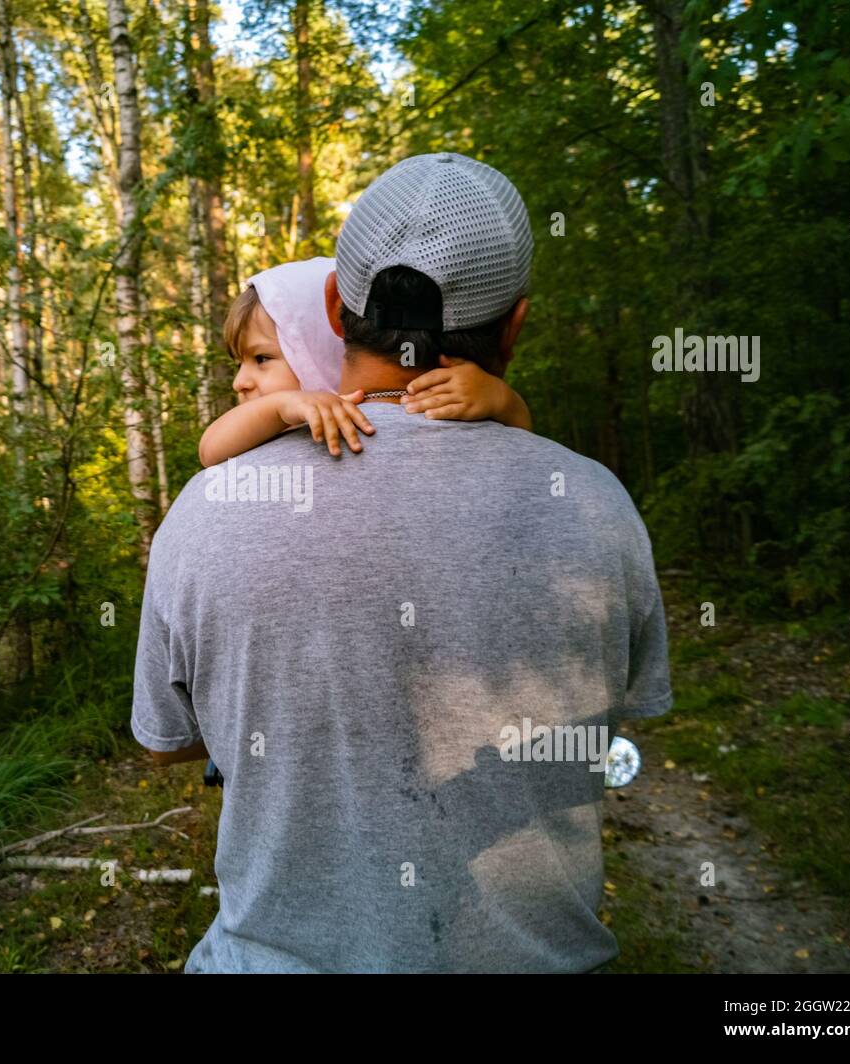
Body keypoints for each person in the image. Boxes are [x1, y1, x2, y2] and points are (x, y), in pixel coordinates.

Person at [132, 152, 673, 973]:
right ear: (517, 323)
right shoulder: (597, 503)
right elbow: (620, 710)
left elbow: (168, 742)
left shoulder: (207, 511)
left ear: (332, 305)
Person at [198, 257, 532, 467]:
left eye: (262, 358)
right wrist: (280, 406)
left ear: (318, 349)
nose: (239, 381)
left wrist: (502, 400)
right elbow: (210, 451)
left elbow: (524, 451)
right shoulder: (276, 421)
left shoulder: (413, 406)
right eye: (239, 363)